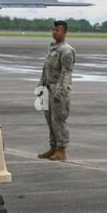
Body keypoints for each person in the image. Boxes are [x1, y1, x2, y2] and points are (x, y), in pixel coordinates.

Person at [39, 20, 76, 161]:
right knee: (50, 120)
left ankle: (61, 149)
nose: (55, 32)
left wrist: (59, 93)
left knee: (58, 121)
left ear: (65, 32)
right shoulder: (52, 48)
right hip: (47, 89)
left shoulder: (66, 50)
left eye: (58, 30)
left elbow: (66, 73)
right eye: (53, 29)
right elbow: (45, 70)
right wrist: (40, 87)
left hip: (58, 91)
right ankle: (53, 147)